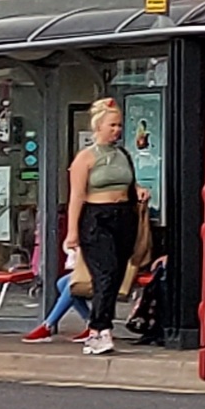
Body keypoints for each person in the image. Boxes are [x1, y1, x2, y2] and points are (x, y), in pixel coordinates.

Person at [62, 98, 145, 358]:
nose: (117, 130)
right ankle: (100, 328)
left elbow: (130, 185)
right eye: (112, 125)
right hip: (96, 217)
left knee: (117, 274)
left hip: (124, 215)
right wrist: (72, 232)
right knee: (105, 273)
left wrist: (139, 191)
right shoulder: (85, 158)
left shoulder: (123, 155)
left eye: (120, 125)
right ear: (99, 126)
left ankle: (100, 326)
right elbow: (76, 196)